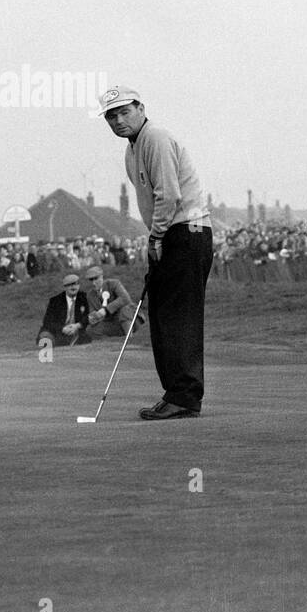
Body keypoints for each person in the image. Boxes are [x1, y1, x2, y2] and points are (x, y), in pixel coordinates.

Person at [96, 85, 213, 419]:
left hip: (186, 232)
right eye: (111, 116)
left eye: (124, 112)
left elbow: (169, 194)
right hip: (171, 233)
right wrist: (157, 235)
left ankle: (185, 396)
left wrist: (156, 236)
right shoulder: (133, 149)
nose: (118, 120)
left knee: (179, 317)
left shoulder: (156, 138)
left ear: (141, 108)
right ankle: (176, 393)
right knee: (163, 317)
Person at [83, 265, 143, 337]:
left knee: (125, 309)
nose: (93, 282)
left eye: (96, 278)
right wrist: (94, 317)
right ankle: (112, 340)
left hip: (130, 319)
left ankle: (129, 337)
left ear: (102, 277)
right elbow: (92, 312)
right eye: (91, 280)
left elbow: (125, 298)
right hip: (112, 322)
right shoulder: (90, 295)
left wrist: (106, 310)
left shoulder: (114, 284)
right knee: (90, 329)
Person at [37, 273, 92, 346]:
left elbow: (90, 315)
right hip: (59, 331)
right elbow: (47, 321)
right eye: (70, 285)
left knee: (89, 334)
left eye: (75, 284)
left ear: (79, 285)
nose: (73, 287)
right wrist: (62, 328)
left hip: (78, 329)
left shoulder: (85, 297)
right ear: (65, 287)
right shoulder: (55, 301)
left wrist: (77, 326)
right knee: (45, 337)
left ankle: (73, 341)